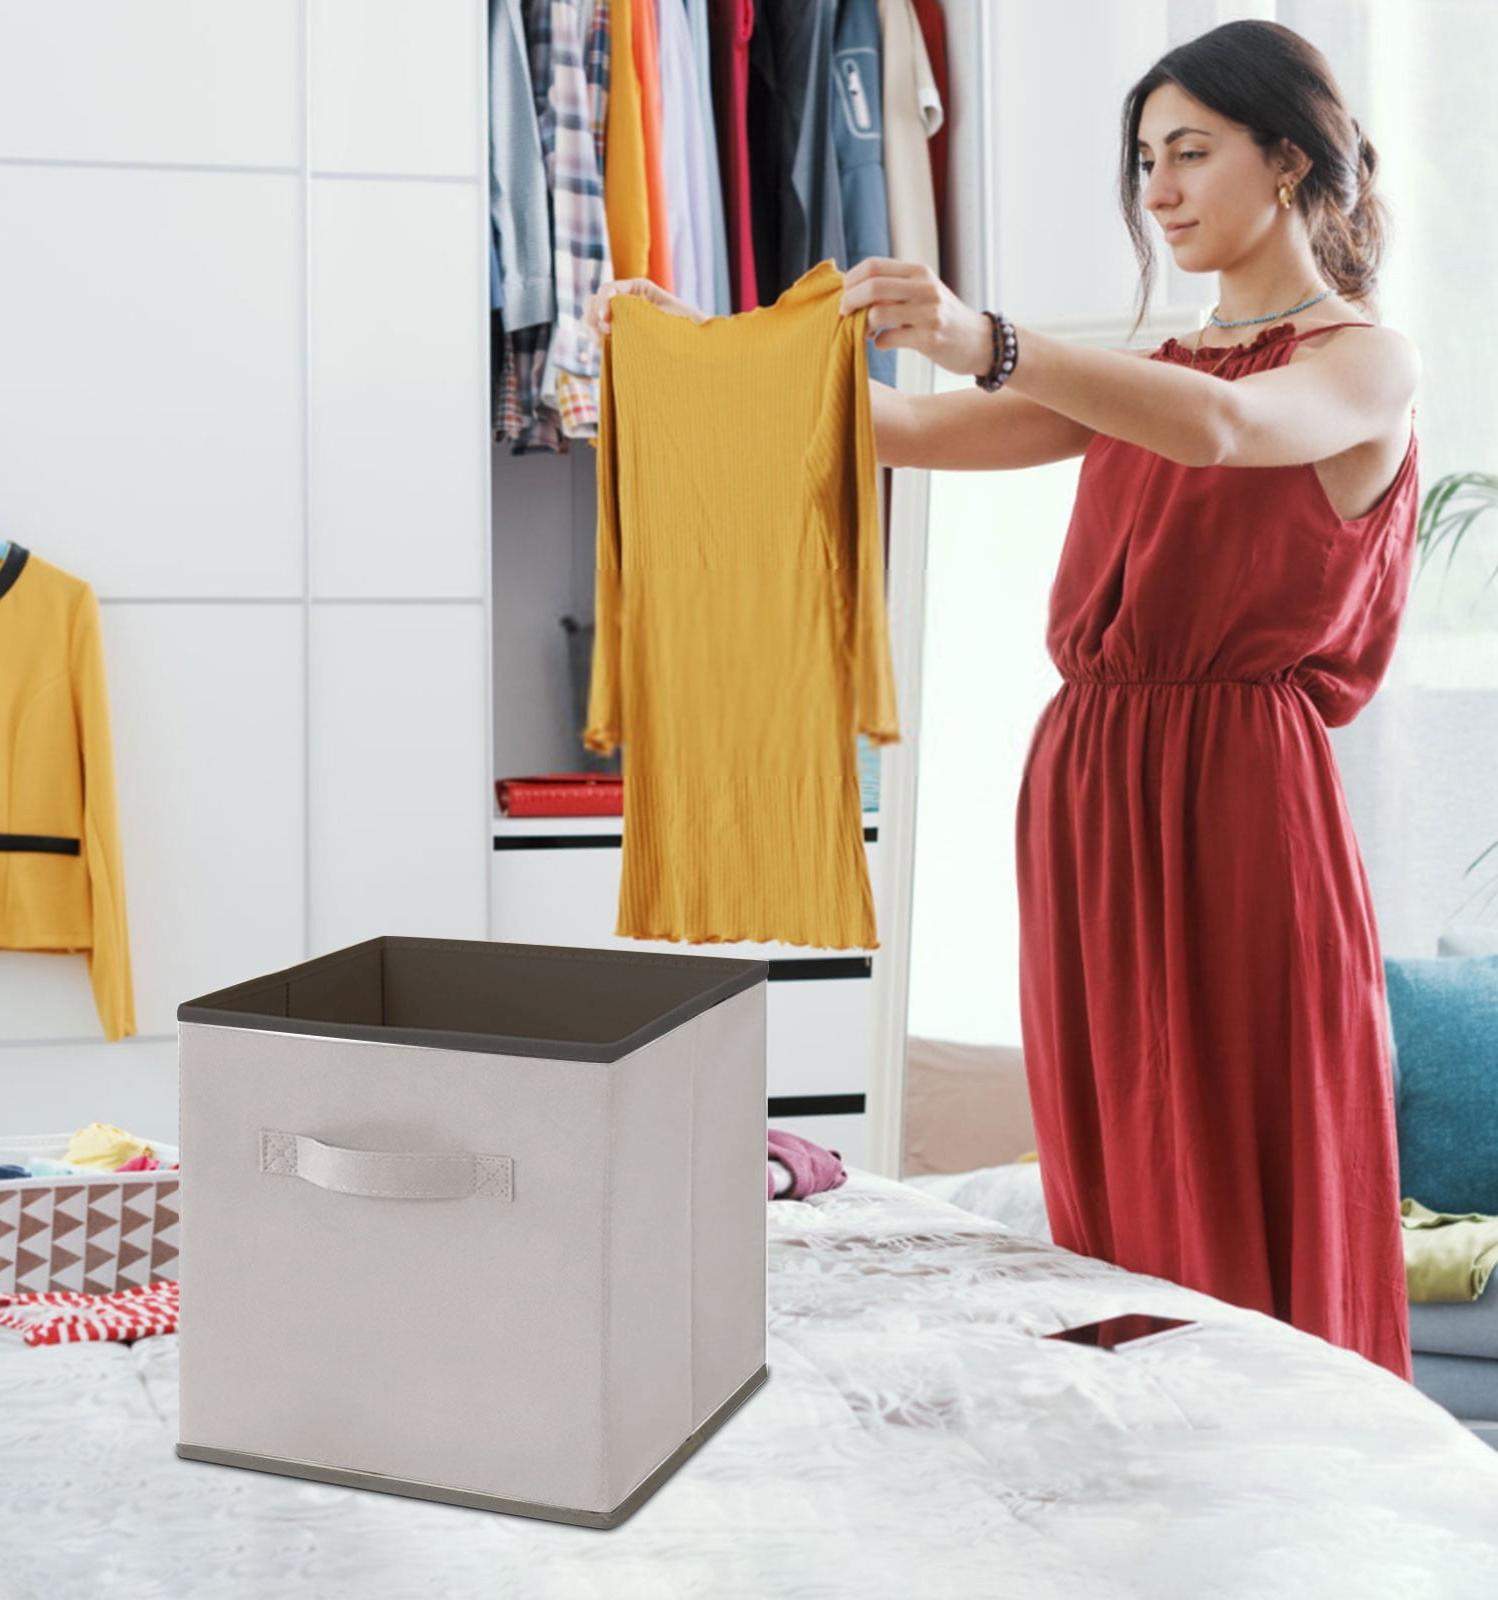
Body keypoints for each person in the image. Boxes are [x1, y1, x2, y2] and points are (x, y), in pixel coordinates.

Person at [586, 19, 1419, 1382]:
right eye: (1144, 158)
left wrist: (986, 337)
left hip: (1238, 787)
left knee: (1232, 1114)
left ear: (1290, 158)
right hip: (1091, 773)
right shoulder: (1166, 365)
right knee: (1117, 1127)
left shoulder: (1361, 361)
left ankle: (1271, 1417)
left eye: (1190, 152)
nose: (1156, 187)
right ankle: (1144, 1404)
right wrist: (693, 355)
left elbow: (1223, 436)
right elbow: (892, 435)